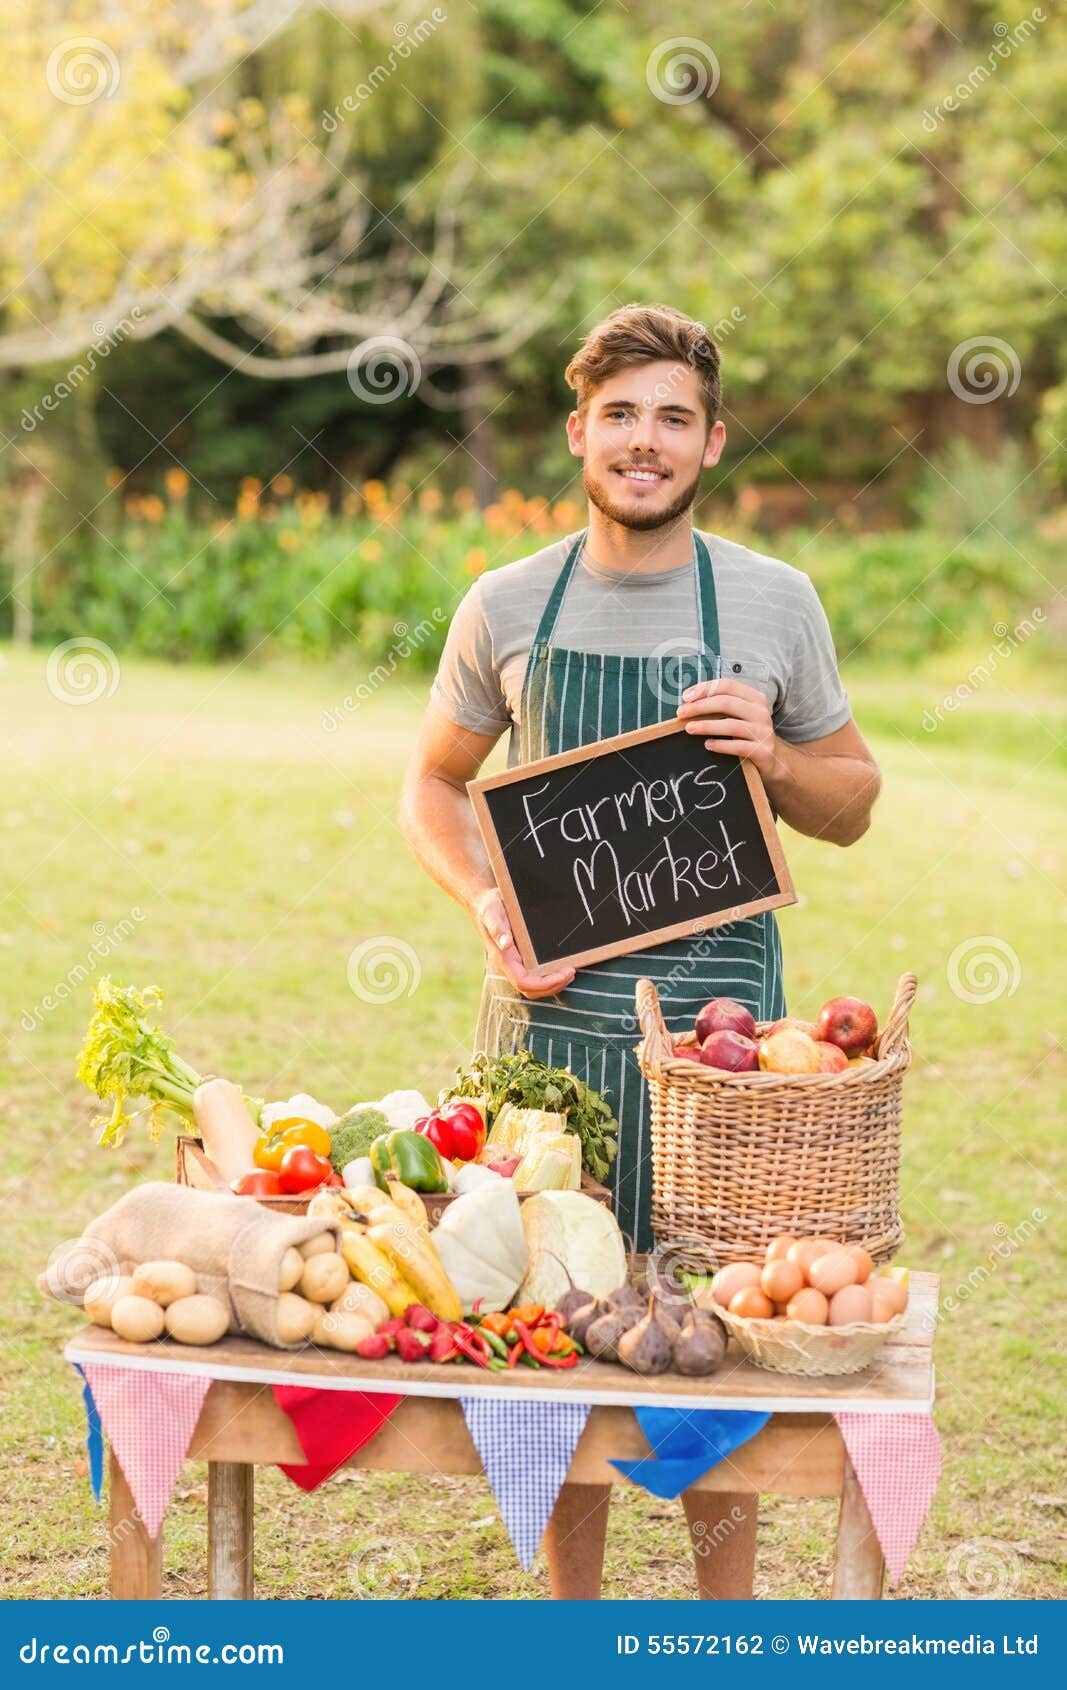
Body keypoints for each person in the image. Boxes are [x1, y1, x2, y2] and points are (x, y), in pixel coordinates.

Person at [399, 302, 881, 1597]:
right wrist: (486, 904)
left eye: (673, 416)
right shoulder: (505, 603)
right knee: (559, 1351)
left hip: (721, 1057)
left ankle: (719, 1635)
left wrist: (774, 759)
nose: (644, 440)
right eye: (620, 414)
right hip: (546, 1048)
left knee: (716, 1350)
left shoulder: (776, 604)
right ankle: (575, 1633)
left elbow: (855, 801)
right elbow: (433, 789)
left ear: (712, 441)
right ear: (579, 432)